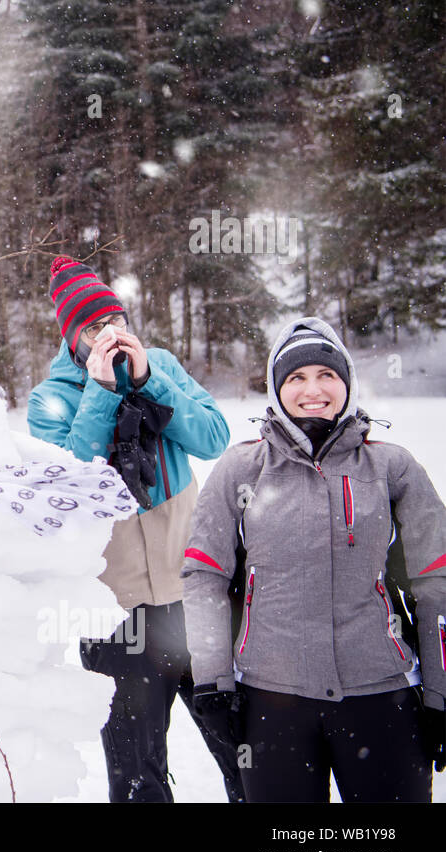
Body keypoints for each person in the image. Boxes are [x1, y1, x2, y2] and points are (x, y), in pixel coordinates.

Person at [182, 317, 446, 802]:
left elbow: (436, 581)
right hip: (271, 699)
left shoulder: (392, 466)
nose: (314, 390)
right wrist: (212, 681)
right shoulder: (242, 467)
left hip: (381, 694)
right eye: (296, 378)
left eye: (327, 375)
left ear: (347, 382)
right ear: (275, 388)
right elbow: (204, 577)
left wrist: (441, 690)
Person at [27, 256, 245, 802]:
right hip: (114, 613)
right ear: (72, 336)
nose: (109, 334)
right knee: (134, 771)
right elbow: (69, 489)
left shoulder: (161, 364)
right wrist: (100, 393)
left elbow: (214, 438)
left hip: (196, 596)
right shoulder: (47, 399)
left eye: (115, 321)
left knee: (245, 749)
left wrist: (152, 382)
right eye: (94, 326)